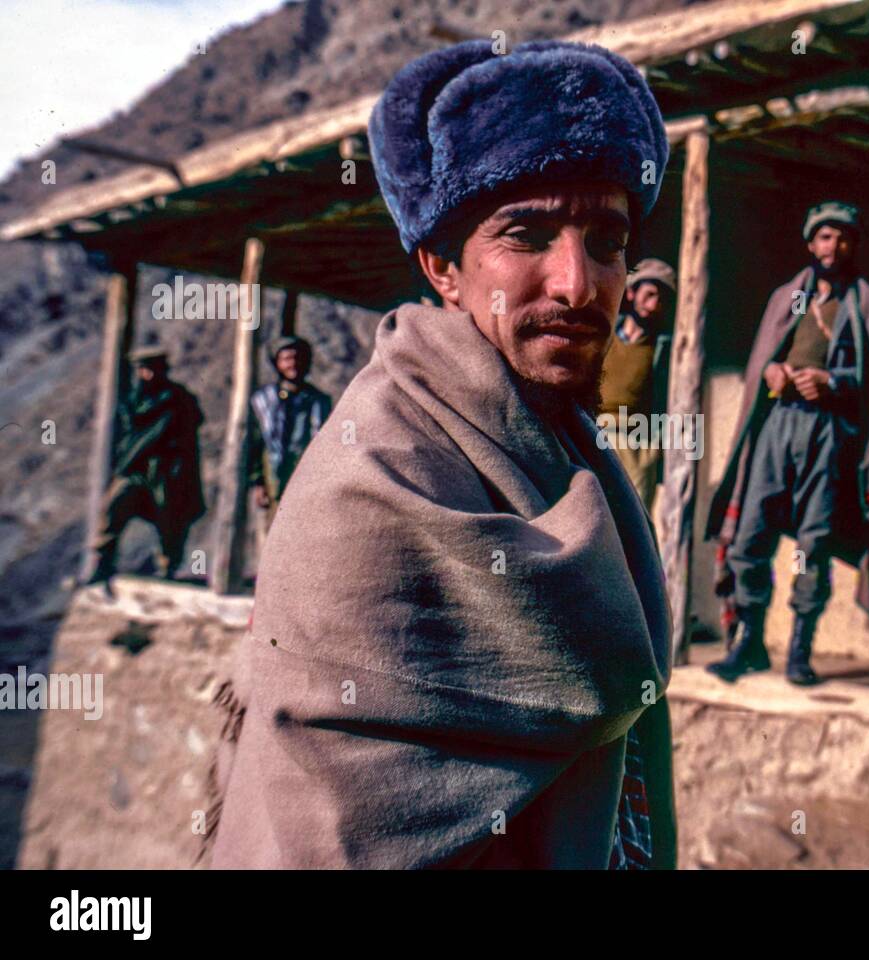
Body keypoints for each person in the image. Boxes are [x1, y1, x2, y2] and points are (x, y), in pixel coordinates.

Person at [206, 39, 675, 870]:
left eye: (607, 240)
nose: (576, 282)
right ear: (442, 270)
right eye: (526, 234)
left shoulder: (564, 451)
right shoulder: (374, 485)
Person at [705, 201, 869, 686]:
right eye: (825, 238)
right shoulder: (791, 297)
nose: (834, 247)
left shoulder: (864, 303)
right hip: (778, 426)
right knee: (750, 535)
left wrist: (833, 382)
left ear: (854, 244)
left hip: (829, 434)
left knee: (812, 544)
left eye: (843, 237)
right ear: (811, 244)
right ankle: (748, 643)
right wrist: (774, 372)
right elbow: (766, 361)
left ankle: (799, 651)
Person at [85, 347, 204, 584]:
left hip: (167, 469)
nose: (147, 374)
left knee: (170, 517)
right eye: (142, 369)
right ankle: (103, 563)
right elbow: (129, 435)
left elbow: (188, 431)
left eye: (152, 368)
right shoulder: (131, 399)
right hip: (136, 469)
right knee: (115, 505)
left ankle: (168, 567)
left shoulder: (178, 398)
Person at [598, 257, 675, 511]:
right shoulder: (603, 335)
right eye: (650, 294)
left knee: (635, 518)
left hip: (637, 441)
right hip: (595, 434)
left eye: (661, 299)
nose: (654, 305)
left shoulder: (663, 349)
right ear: (631, 293)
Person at [248, 335, 331, 530]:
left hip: (308, 477)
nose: (292, 364)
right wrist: (257, 482)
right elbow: (257, 442)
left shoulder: (319, 401)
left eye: (297, 358)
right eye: (286, 359)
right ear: (277, 363)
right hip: (274, 476)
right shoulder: (264, 401)